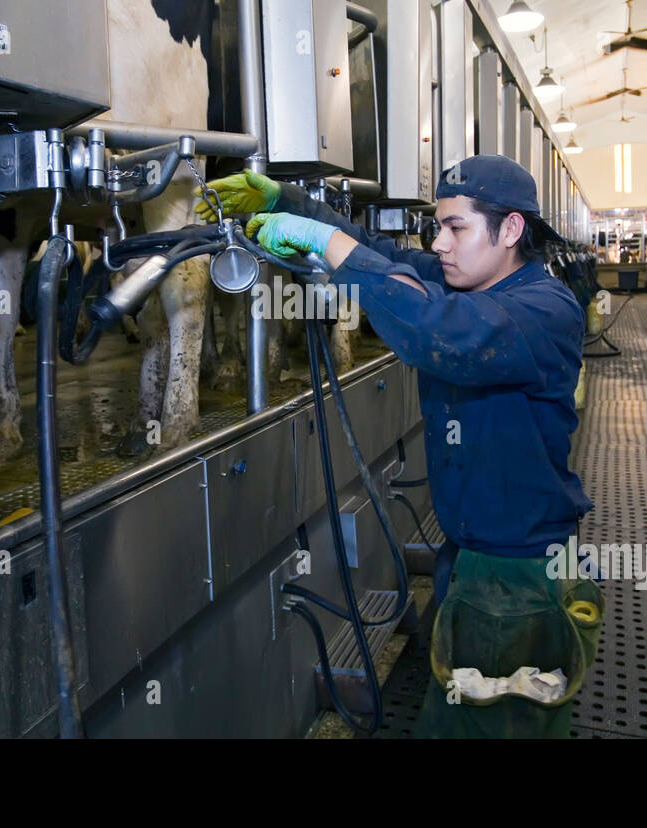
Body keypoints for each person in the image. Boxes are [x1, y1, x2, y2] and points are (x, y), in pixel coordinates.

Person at [197, 155, 602, 738]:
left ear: (511, 230)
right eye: (438, 226)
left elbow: (438, 334)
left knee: (494, 729)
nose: (440, 242)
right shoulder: (464, 278)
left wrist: (324, 241)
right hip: (471, 559)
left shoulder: (544, 309)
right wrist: (287, 203)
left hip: (518, 576)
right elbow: (382, 258)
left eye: (457, 227)